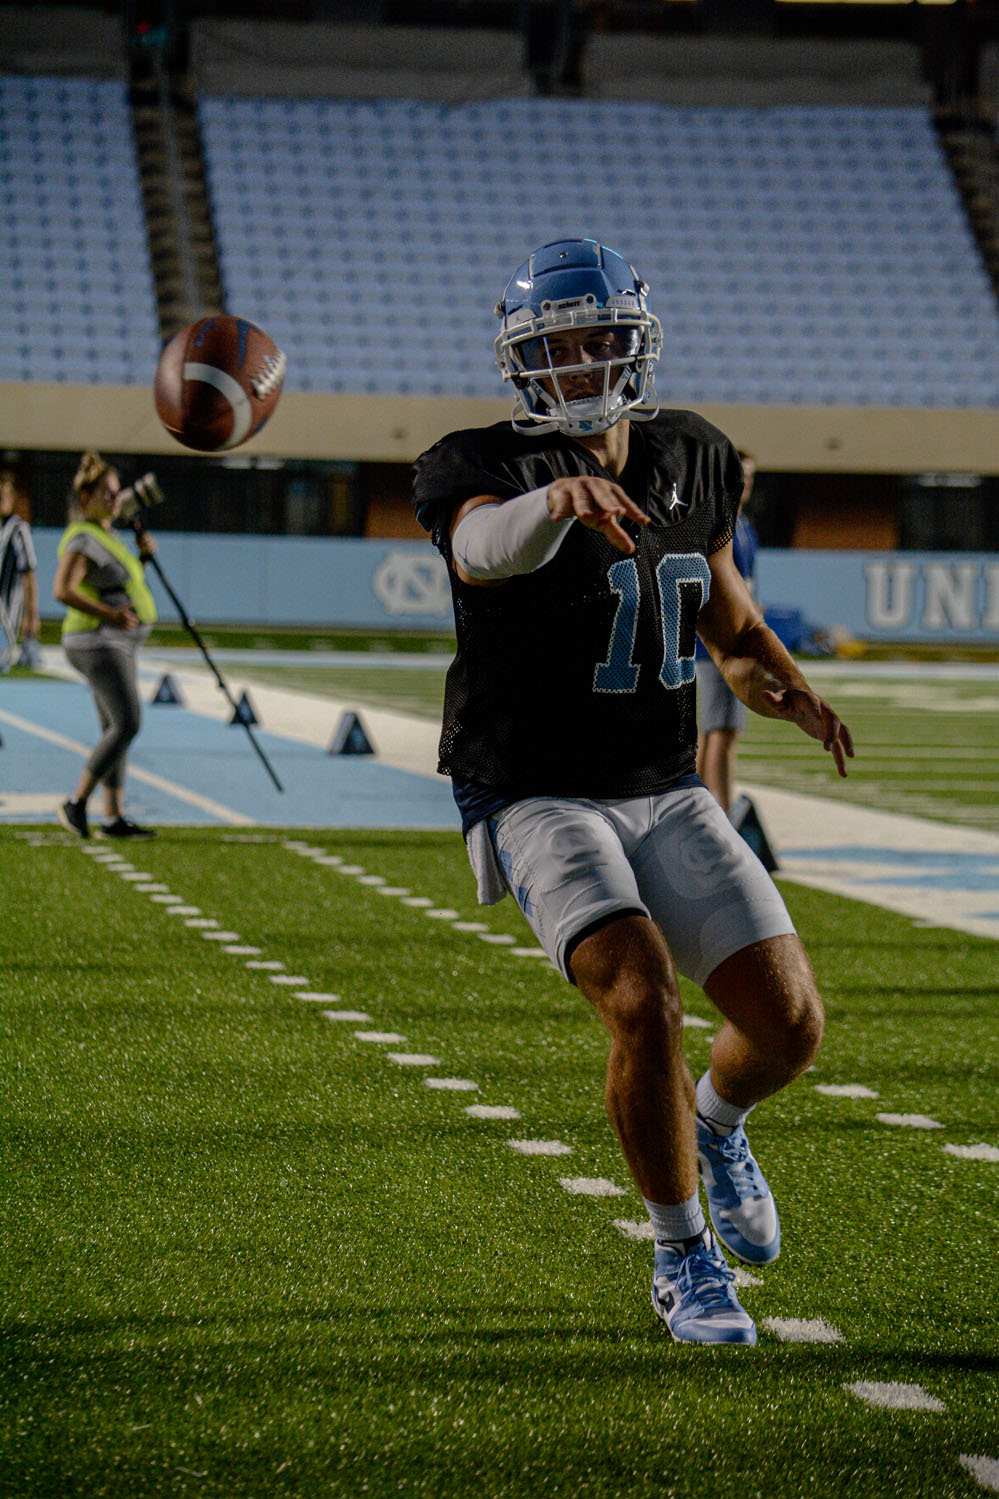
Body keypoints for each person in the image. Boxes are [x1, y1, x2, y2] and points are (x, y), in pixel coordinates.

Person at [411, 239, 853, 1347]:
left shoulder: (693, 454)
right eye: (552, 347)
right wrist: (556, 499)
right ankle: (681, 1255)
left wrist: (783, 686)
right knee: (642, 995)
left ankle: (717, 1122)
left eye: (592, 339)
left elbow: (731, 625)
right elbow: (480, 549)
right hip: (532, 788)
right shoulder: (482, 463)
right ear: (523, 361)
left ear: (633, 342)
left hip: (661, 779)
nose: (575, 363)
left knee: (789, 1024)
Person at [52, 451, 159, 840]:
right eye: (106, 494)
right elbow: (62, 589)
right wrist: (109, 616)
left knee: (115, 728)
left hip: (117, 641)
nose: (115, 499)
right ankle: (76, 802)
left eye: (116, 492)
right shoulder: (83, 537)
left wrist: (143, 558)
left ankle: (112, 817)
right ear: (87, 498)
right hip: (97, 641)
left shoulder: (108, 537)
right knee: (128, 723)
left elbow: (119, 586)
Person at [695, 452, 759, 814]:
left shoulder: (743, 523)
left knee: (718, 729)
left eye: (750, 476)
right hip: (720, 642)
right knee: (720, 729)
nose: (745, 483)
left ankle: (708, 807)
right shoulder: (719, 523)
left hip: (731, 639)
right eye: (740, 475)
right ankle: (718, 809)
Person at [0, 469, 41, 671]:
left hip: (6, 614)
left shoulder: (18, 529)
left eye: (3, 495)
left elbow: (29, 575)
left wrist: (31, 616)